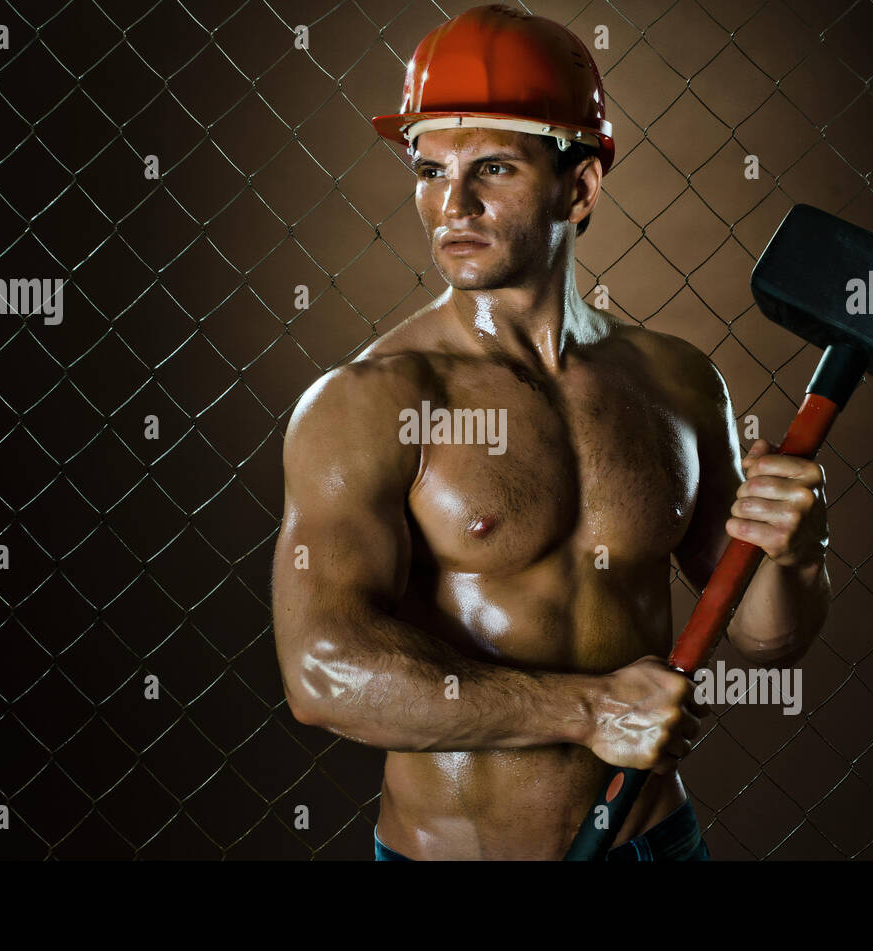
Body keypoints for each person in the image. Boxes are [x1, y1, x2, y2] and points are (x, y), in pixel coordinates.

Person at [272, 4, 830, 861]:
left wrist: (792, 553)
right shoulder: (368, 402)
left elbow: (765, 635)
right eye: (429, 169)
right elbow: (321, 672)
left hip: (652, 844)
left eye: (491, 167)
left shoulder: (678, 382)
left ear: (580, 186)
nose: (449, 202)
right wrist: (588, 709)